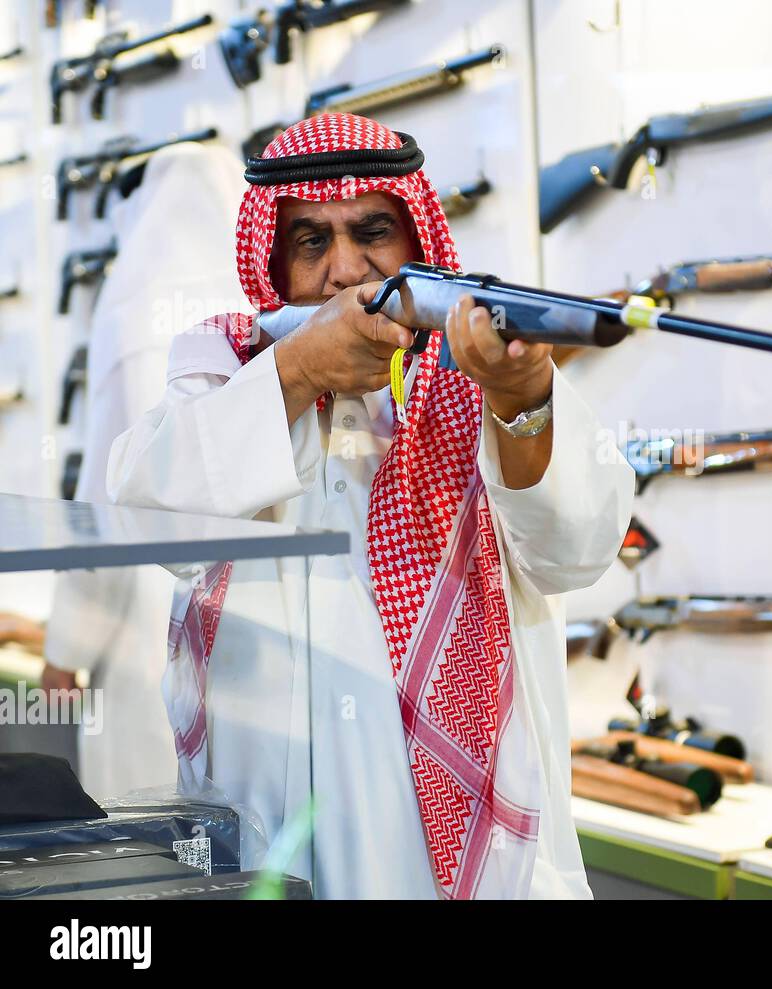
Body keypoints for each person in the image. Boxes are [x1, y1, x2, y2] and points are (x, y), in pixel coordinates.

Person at [107, 114, 635, 899]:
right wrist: (294, 373)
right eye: (311, 240)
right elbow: (149, 515)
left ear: (417, 243)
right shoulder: (228, 373)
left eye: (372, 232)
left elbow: (575, 553)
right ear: (274, 260)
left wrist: (523, 400)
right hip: (274, 855)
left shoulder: (484, 373)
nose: (346, 268)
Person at [42, 142, 247, 800]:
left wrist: (66, 646)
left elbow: (104, 509)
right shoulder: (253, 303)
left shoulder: (129, 310)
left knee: (144, 856)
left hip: (143, 637)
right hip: (246, 640)